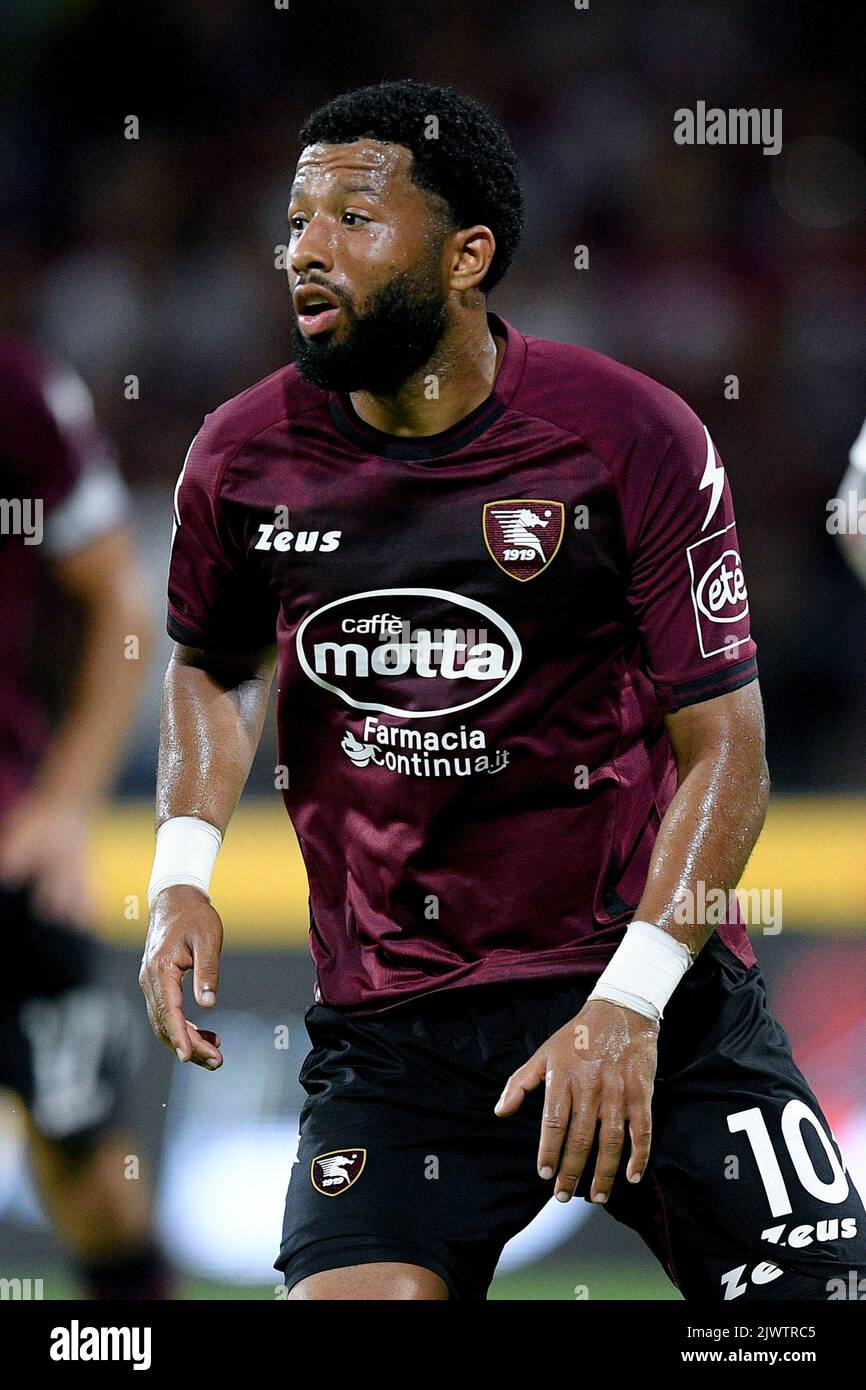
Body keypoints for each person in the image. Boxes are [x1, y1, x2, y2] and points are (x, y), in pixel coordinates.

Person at [140, 80, 866, 1302]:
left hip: (653, 991)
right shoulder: (240, 458)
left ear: (468, 253)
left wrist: (625, 1008)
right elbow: (212, 663)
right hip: (396, 1032)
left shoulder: (631, 438)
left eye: (353, 218)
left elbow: (728, 753)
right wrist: (178, 872)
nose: (306, 249)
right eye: (296, 218)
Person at [0, 334, 170, 1298]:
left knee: (86, 1173)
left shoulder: (16, 393)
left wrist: (64, 806)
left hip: (8, 866)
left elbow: (122, 605)